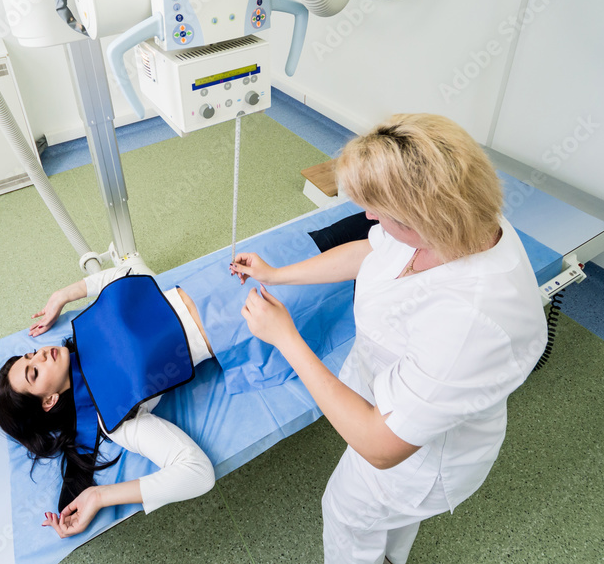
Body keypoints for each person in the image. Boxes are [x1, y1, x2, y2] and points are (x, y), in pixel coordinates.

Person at [231, 113, 549, 564]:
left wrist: (285, 338)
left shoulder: (469, 322)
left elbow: (381, 448)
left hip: (418, 460)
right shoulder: (459, 221)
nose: (368, 216)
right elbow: (373, 249)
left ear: (422, 215)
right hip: (388, 398)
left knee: (348, 515)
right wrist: (277, 275)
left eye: (378, 209)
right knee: (383, 523)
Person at [0, 267, 217, 539]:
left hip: (216, 273)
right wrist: (99, 496)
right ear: (49, 401)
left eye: (30, 355)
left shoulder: (89, 333)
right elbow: (198, 474)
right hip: (226, 317)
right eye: (34, 372)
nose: (40, 355)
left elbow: (130, 276)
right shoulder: (116, 416)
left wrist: (63, 295)